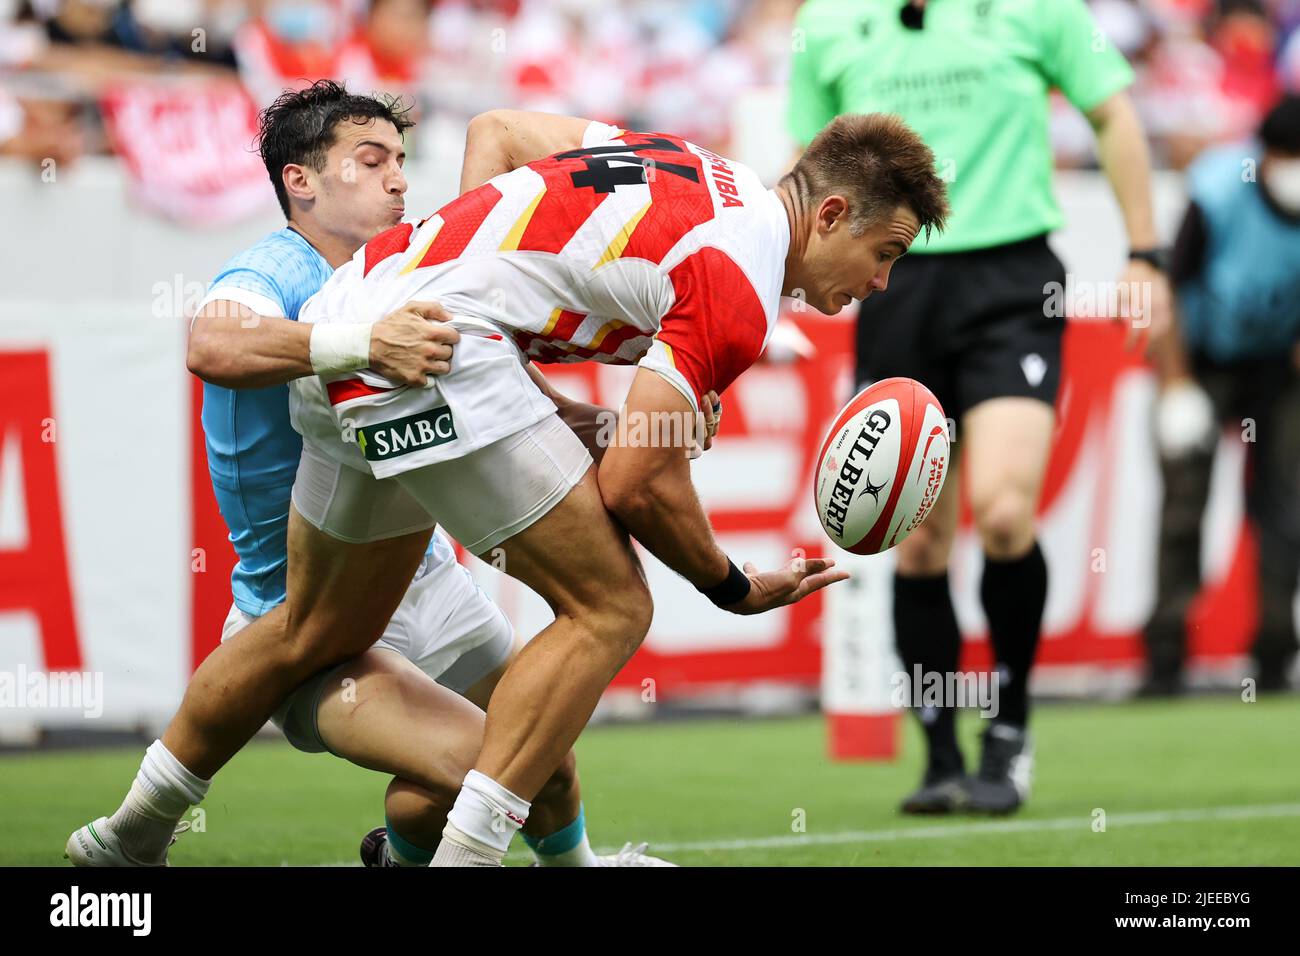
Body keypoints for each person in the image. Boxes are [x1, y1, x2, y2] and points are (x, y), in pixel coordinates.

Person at [281, 107, 947, 866]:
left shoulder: (697, 164)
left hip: (353, 310)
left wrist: (473, 287)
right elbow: (635, 484)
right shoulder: (744, 289)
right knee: (611, 607)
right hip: (423, 353)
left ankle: (130, 832)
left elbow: (496, 130)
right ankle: (464, 856)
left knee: (294, 635)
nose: (882, 281)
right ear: (831, 215)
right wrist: (731, 586)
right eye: (884, 252)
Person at [66, 81, 668, 868]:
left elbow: (523, 404)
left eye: (402, 161)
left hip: (429, 581)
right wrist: (361, 346)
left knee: (543, 752)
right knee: (484, 767)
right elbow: (213, 345)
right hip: (311, 618)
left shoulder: (411, 268)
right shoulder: (273, 267)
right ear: (301, 181)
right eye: (371, 160)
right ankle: (137, 830)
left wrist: (651, 425)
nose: (399, 180)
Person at [788, 0, 1174, 814]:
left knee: (1002, 514)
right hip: (893, 282)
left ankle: (1010, 730)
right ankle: (938, 752)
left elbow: (1113, 111)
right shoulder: (828, 21)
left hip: (1012, 283)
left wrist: (1144, 253)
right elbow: (802, 171)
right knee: (919, 539)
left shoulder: (1040, 10)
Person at [1144, 94, 1300, 696]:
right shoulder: (1217, 195)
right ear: (1264, 155)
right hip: (1204, 359)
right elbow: (1167, 292)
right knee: (1184, 501)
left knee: (1286, 506)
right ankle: (1164, 658)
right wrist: (1177, 385)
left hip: (1279, 370)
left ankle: (1278, 655)